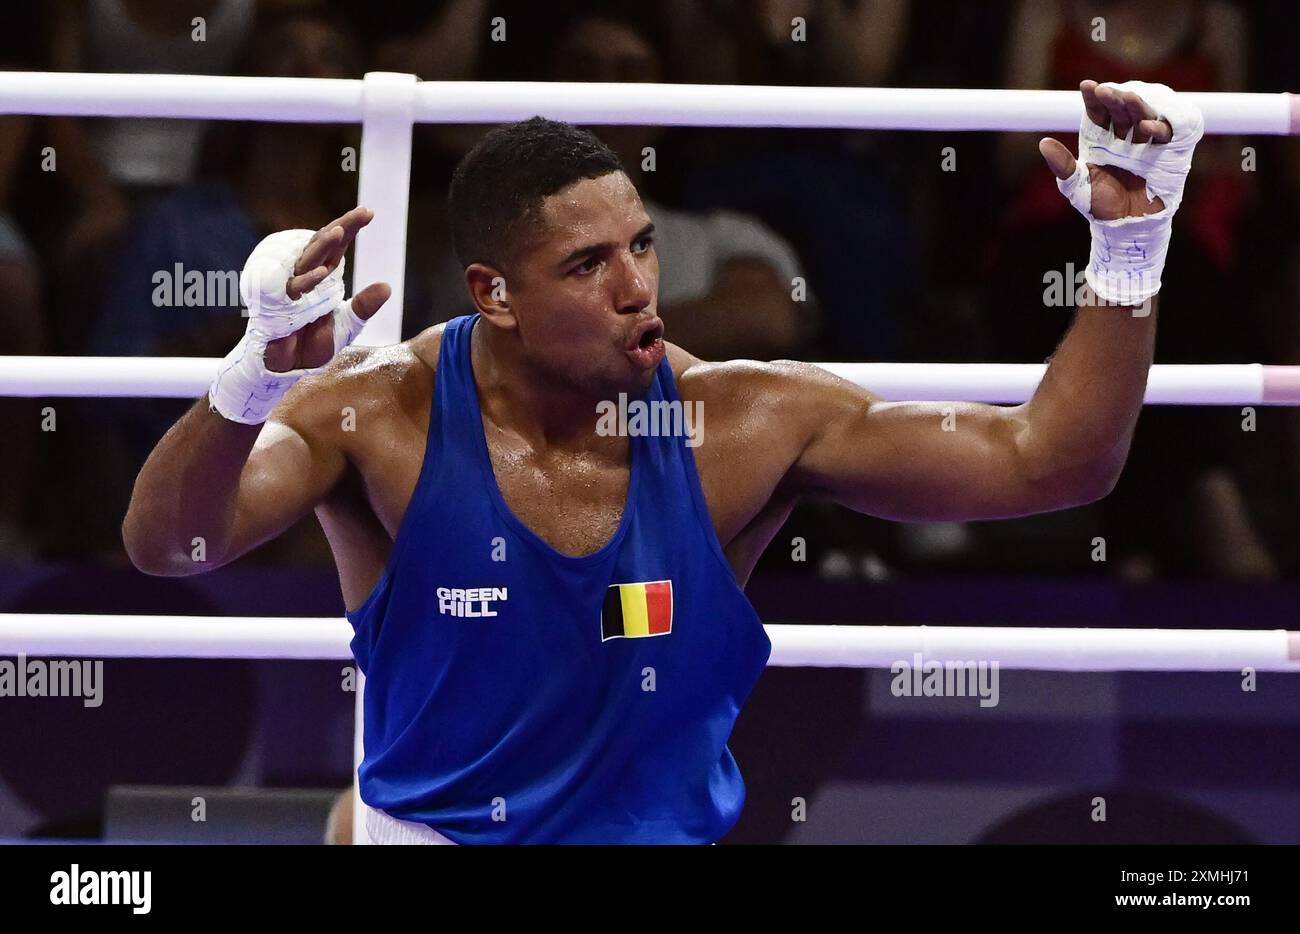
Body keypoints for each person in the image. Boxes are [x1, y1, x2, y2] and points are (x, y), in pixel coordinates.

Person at [123, 81, 1202, 843]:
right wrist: (252, 379)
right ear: (493, 293)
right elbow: (171, 544)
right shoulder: (378, 415)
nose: (637, 285)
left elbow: (1049, 462)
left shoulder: (745, 422)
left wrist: (1127, 251)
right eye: (588, 264)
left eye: (638, 244)